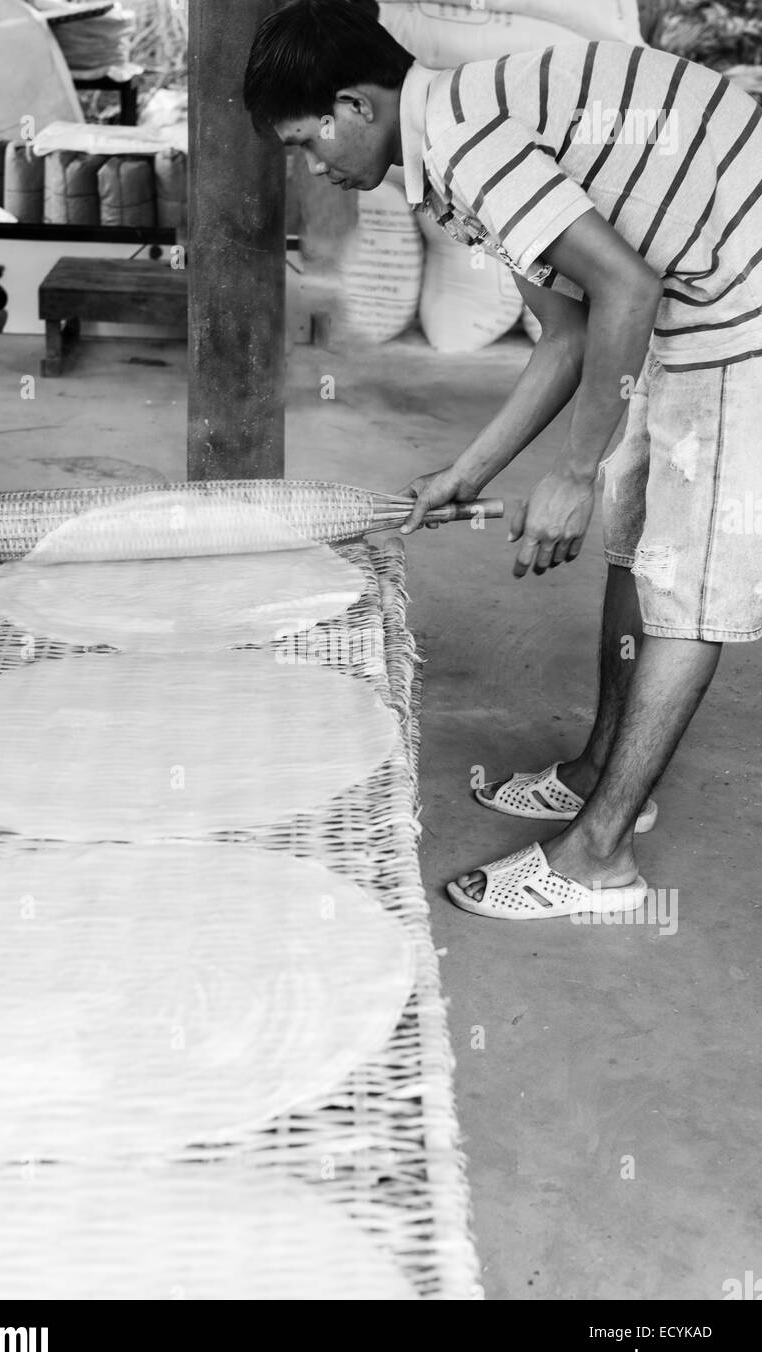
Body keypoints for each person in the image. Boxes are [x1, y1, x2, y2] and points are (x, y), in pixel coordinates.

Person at [243, 0, 762, 920]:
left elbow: (624, 287)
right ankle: (601, 775)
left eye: (304, 141)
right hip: (700, 289)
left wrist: (567, 473)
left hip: (737, 299)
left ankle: (597, 858)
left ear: (357, 105)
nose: (310, 168)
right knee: (635, 538)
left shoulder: (469, 136)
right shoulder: (448, 152)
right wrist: (469, 473)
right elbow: (565, 335)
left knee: (687, 584)